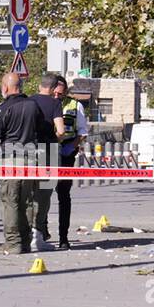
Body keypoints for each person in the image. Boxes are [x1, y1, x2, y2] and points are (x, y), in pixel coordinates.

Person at [0, 72, 43, 255]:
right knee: (26, 201)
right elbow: (42, 128)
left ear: (6, 87)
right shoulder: (34, 106)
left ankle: (12, 242)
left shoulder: (3, 107)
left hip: (11, 158)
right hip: (32, 159)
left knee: (10, 201)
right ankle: (25, 242)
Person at [27, 73, 69, 251]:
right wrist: (56, 141)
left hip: (28, 150)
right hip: (49, 152)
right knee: (44, 195)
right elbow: (60, 130)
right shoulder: (55, 103)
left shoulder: (28, 101)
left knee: (28, 194)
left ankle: (26, 233)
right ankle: (38, 234)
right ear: (53, 89)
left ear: (39, 85)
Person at [52, 76, 89, 250]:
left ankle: (63, 237)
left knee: (63, 194)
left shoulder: (75, 106)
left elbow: (82, 131)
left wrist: (73, 146)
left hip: (66, 153)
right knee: (43, 193)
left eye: (61, 93)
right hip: (48, 152)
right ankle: (43, 232)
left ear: (66, 91)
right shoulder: (43, 103)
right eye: (55, 92)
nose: (57, 96)